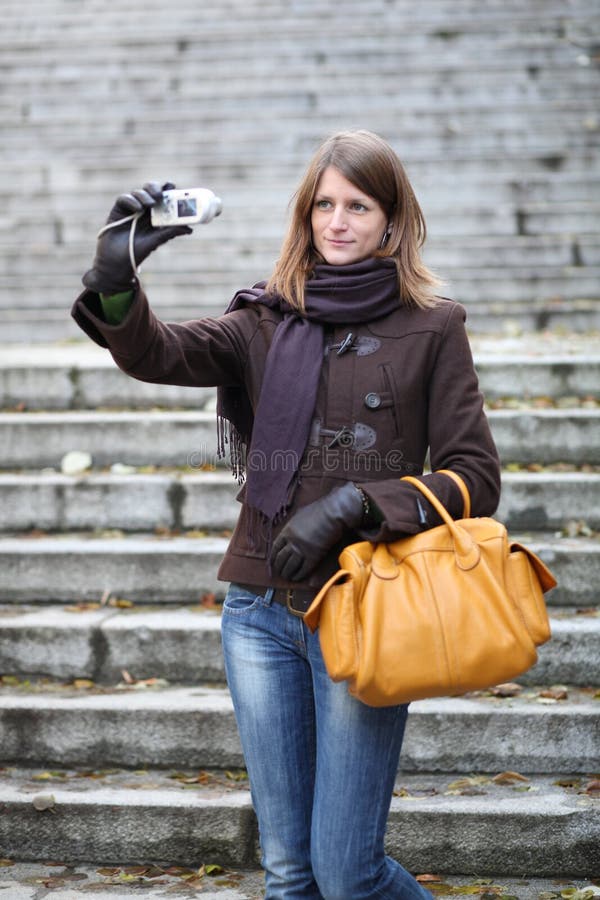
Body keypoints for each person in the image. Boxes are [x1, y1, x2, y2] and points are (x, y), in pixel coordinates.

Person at [72, 129, 501, 899]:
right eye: (323, 205)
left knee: (347, 874)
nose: (337, 222)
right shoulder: (264, 322)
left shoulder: (434, 327)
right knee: (290, 873)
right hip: (259, 614)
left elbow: (475, 476)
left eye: (358, 206)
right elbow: (157, 353)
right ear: (305, 217)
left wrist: (353, 505)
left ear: (392, 221)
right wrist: (116, 280)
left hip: (364, 615)